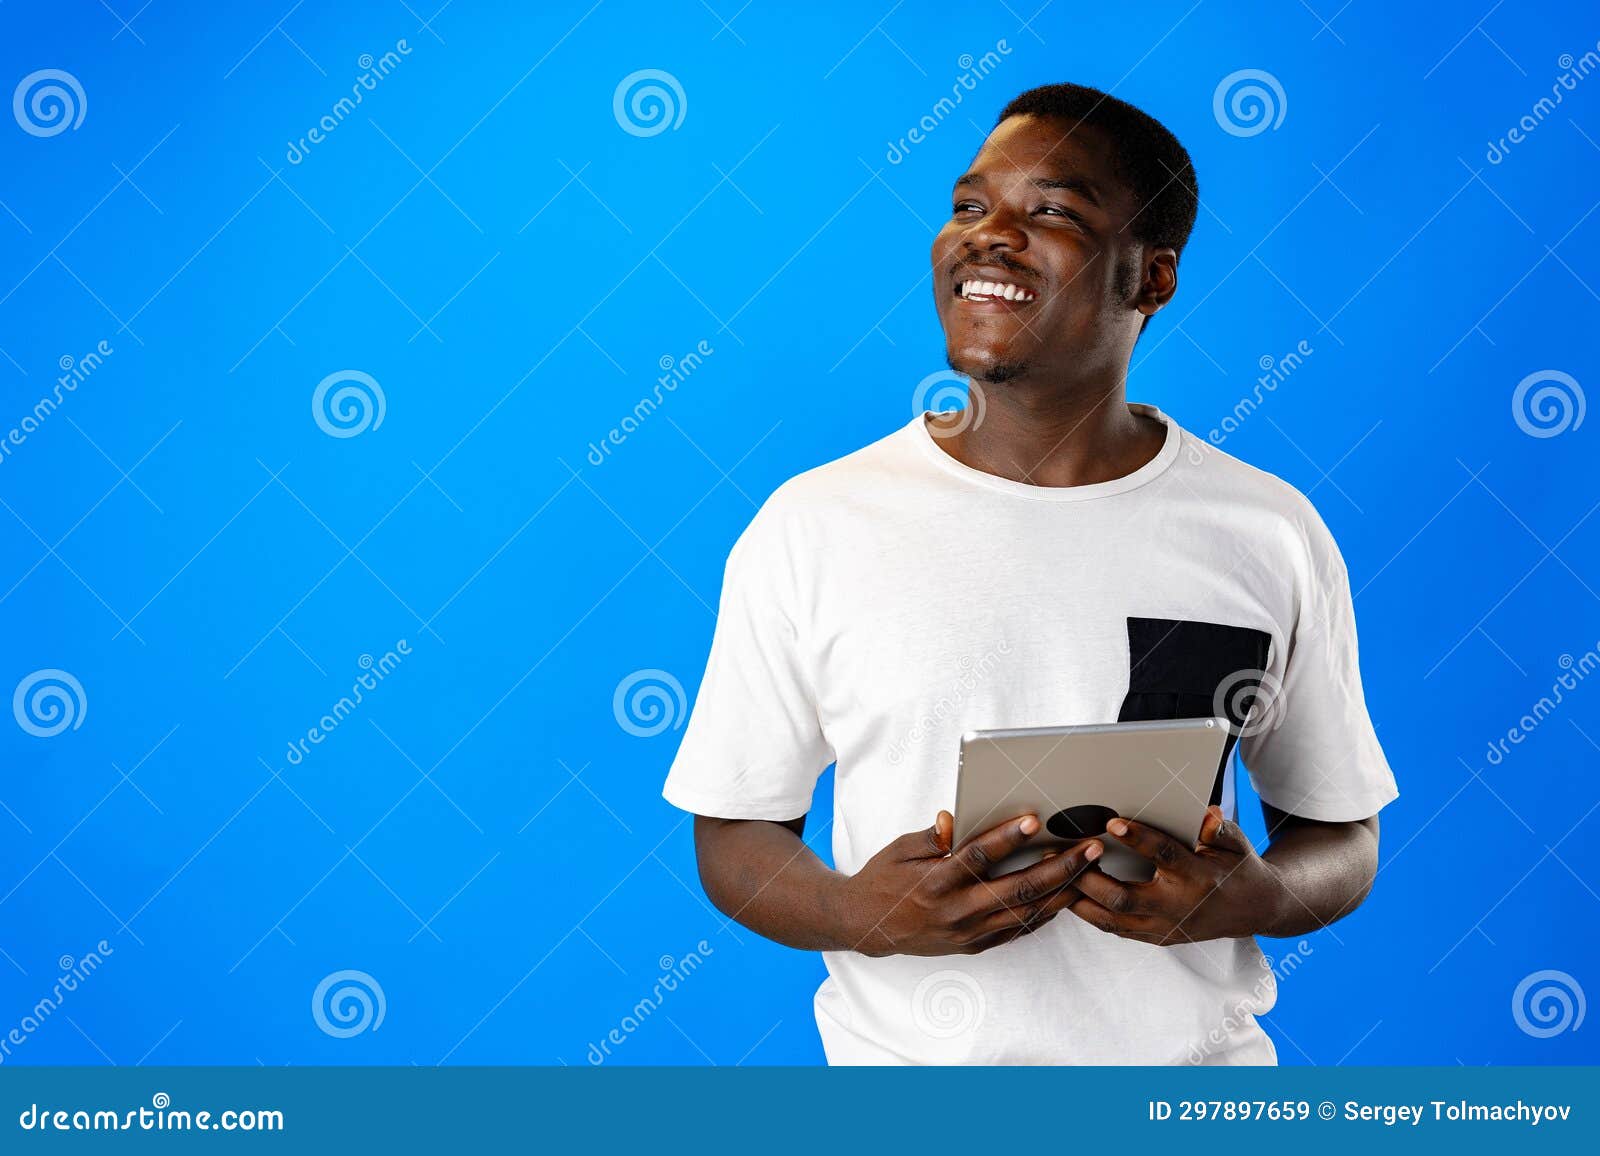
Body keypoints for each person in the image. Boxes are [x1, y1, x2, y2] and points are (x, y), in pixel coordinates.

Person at [661, 82, 1397, 1065]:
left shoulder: (1266, 530)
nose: (989, 236)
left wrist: (1250, 896)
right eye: (970, 205)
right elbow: (736, 832)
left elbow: (1341, 838)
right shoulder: (815, 524)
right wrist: (861, 912)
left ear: (1152, 277)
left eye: (1051, 211)